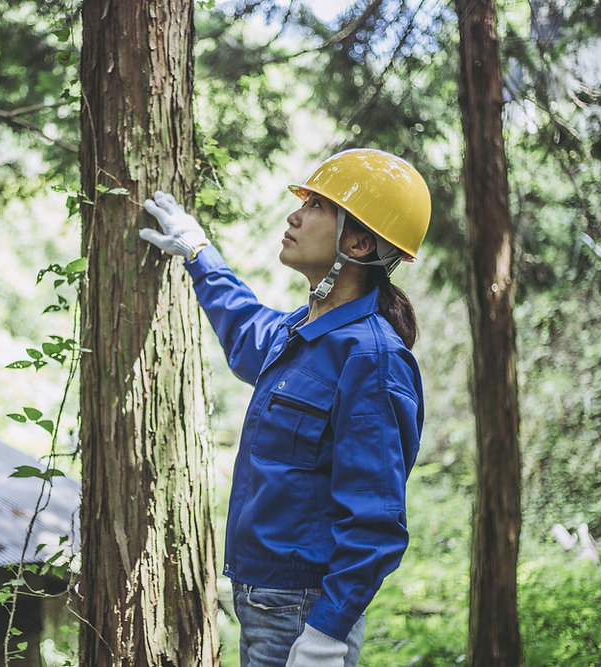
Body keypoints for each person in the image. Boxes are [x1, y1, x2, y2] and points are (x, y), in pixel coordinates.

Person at [139, 148, 430, 666]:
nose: (296, 214)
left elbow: (377, 521)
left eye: (318, 206)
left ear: (358, 242)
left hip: (304, 613)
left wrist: (326, 636)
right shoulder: (299, 333)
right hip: (262, 600)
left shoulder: (372, 357)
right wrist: (198, 251)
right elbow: (244, 322)